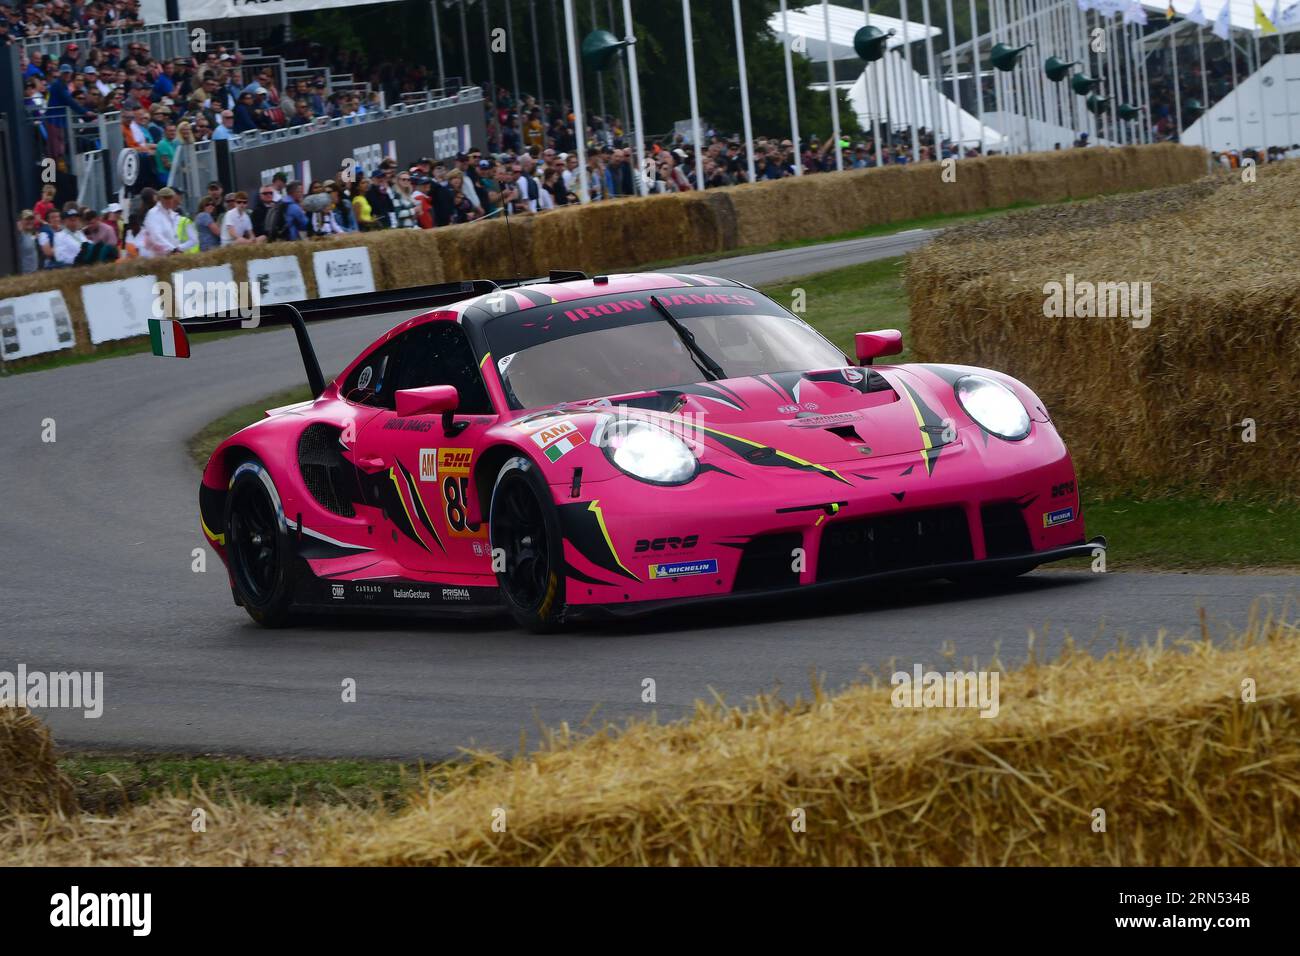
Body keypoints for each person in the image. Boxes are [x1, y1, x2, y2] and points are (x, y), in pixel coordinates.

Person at [141, 186, 182, 256]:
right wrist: (172, 249)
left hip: (171, 255)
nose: (169, 200)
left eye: (171, 197)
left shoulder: (172, 214)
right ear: (160, 199)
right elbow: (156, 236)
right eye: (166, 198)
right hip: (158, 258)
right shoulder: (153, 214)